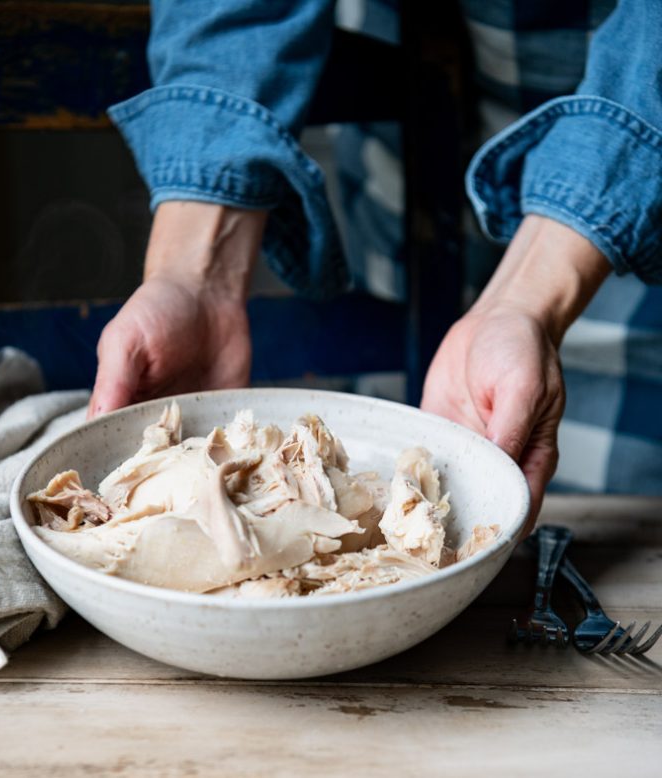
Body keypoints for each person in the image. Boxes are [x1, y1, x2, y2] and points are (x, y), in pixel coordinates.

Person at [89, 0, 662, 524]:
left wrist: (527, 299)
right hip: (406, 132)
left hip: (641, 156)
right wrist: (194, 276)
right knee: (376, 488)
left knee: (607, 510)